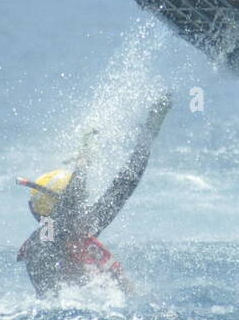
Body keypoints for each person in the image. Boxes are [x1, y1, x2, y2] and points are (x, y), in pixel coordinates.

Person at [16, 92, 171, 297]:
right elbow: (63, 212)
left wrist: (147, 137)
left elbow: (124, 186)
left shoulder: (78, 226)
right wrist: (83, 161)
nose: (84, 208)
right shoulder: (45, 240)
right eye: (78, 203)